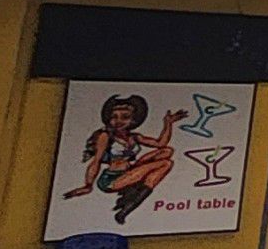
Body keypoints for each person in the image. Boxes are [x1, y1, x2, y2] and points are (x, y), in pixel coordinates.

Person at [63, 94, 186, 223]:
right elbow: (97, 160)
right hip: (112, 179)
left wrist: (168, 123)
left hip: (129, 170)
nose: (118, 121)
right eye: (114, 117)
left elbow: (160, 143)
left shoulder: (134, 137)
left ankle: (135, 192)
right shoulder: (106, 136)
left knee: (167, 152)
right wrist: (88, 185)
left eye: (125, 117)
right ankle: (125, 210)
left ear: (133, 120)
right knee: (165, 163)